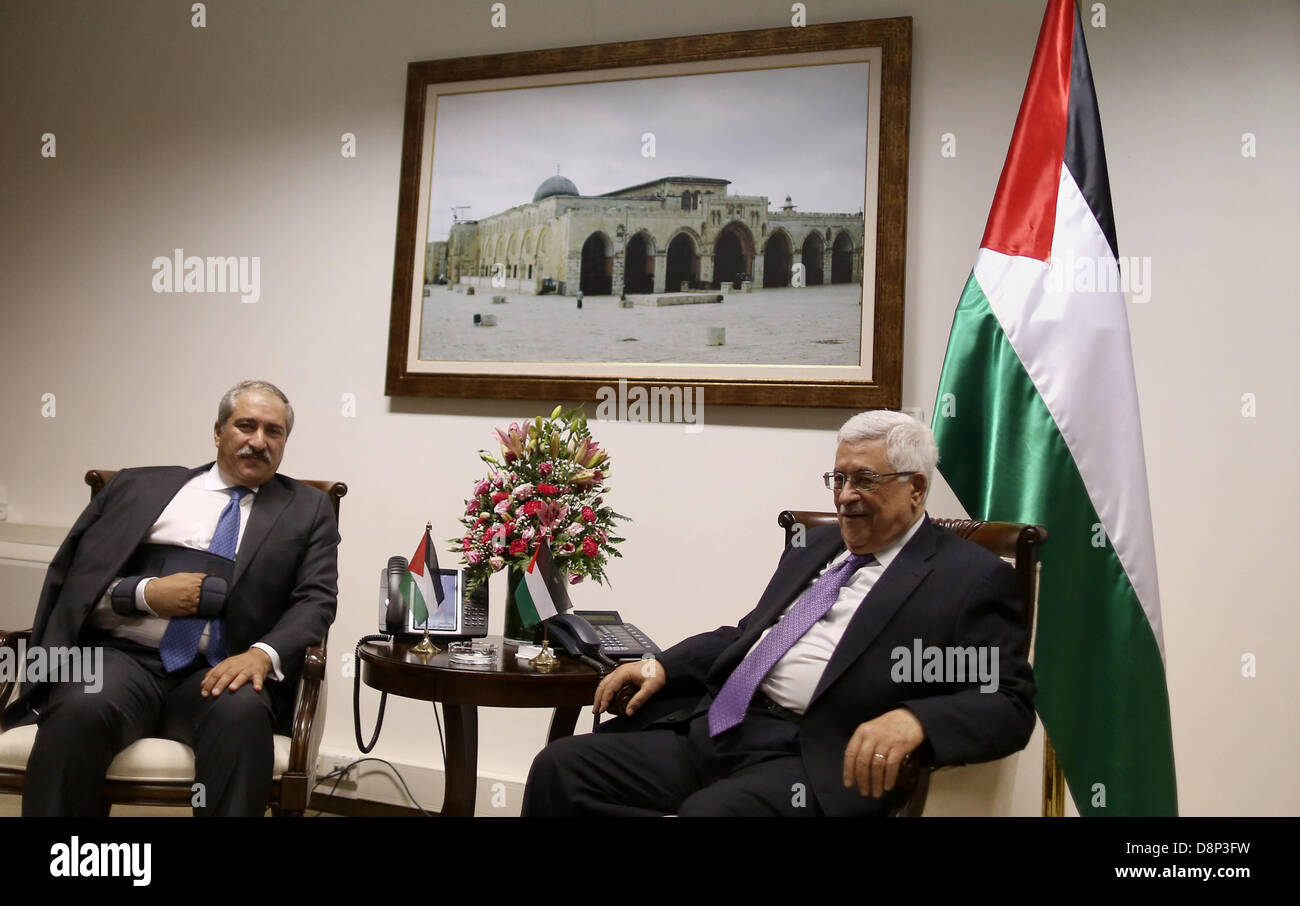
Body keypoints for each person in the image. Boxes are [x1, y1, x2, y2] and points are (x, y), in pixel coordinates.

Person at [523, 410, 1035, 817]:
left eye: (865, 480)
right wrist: (661, 665)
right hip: (723, 728)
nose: (845, 497)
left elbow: (1009, 703)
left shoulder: (969, 577)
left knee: (712, 813)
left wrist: (915, 719)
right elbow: (747, 635)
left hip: (816, 757)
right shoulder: (814, 546)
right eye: (837, 479)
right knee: (563, 768)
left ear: (916, 489)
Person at [2, 380, 339, 816]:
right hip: (121, 659)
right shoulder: (138, 490)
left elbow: (316, 600)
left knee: (241, 717)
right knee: (80, 708)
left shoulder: (308, 510)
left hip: (223, 667)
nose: (259, 441)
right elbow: (78, 586)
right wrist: (146, 593)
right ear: (218, 432)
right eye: (246, 426)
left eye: (273, 432)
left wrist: (261, 654)